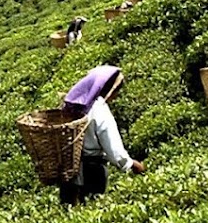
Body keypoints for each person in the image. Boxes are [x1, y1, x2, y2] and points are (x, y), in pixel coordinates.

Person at [59, 65, 146, 205]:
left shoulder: (71, 106)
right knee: (91, 213)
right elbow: (114, 151)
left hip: (68, 173)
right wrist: (132, 165)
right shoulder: (99, 110)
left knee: (68, 215)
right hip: (92, 172)